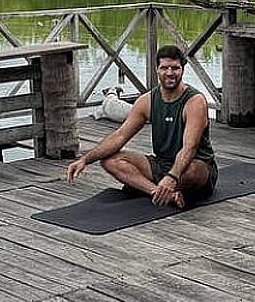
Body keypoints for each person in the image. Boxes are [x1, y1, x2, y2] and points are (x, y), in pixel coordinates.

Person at [66, 45, 216, 208]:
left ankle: (154, 186)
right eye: (164, 68)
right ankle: (157, 192)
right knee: (110, 160)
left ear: (183, 70)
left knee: (195, 171)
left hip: (193, 165)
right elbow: (120, 136)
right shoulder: (147, 101)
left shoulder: (195, 101)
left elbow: (190, 148)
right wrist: (85, 160)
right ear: (157, 69)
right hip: (161, 163)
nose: (170, 73)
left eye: (175, 68)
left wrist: (172, 177)